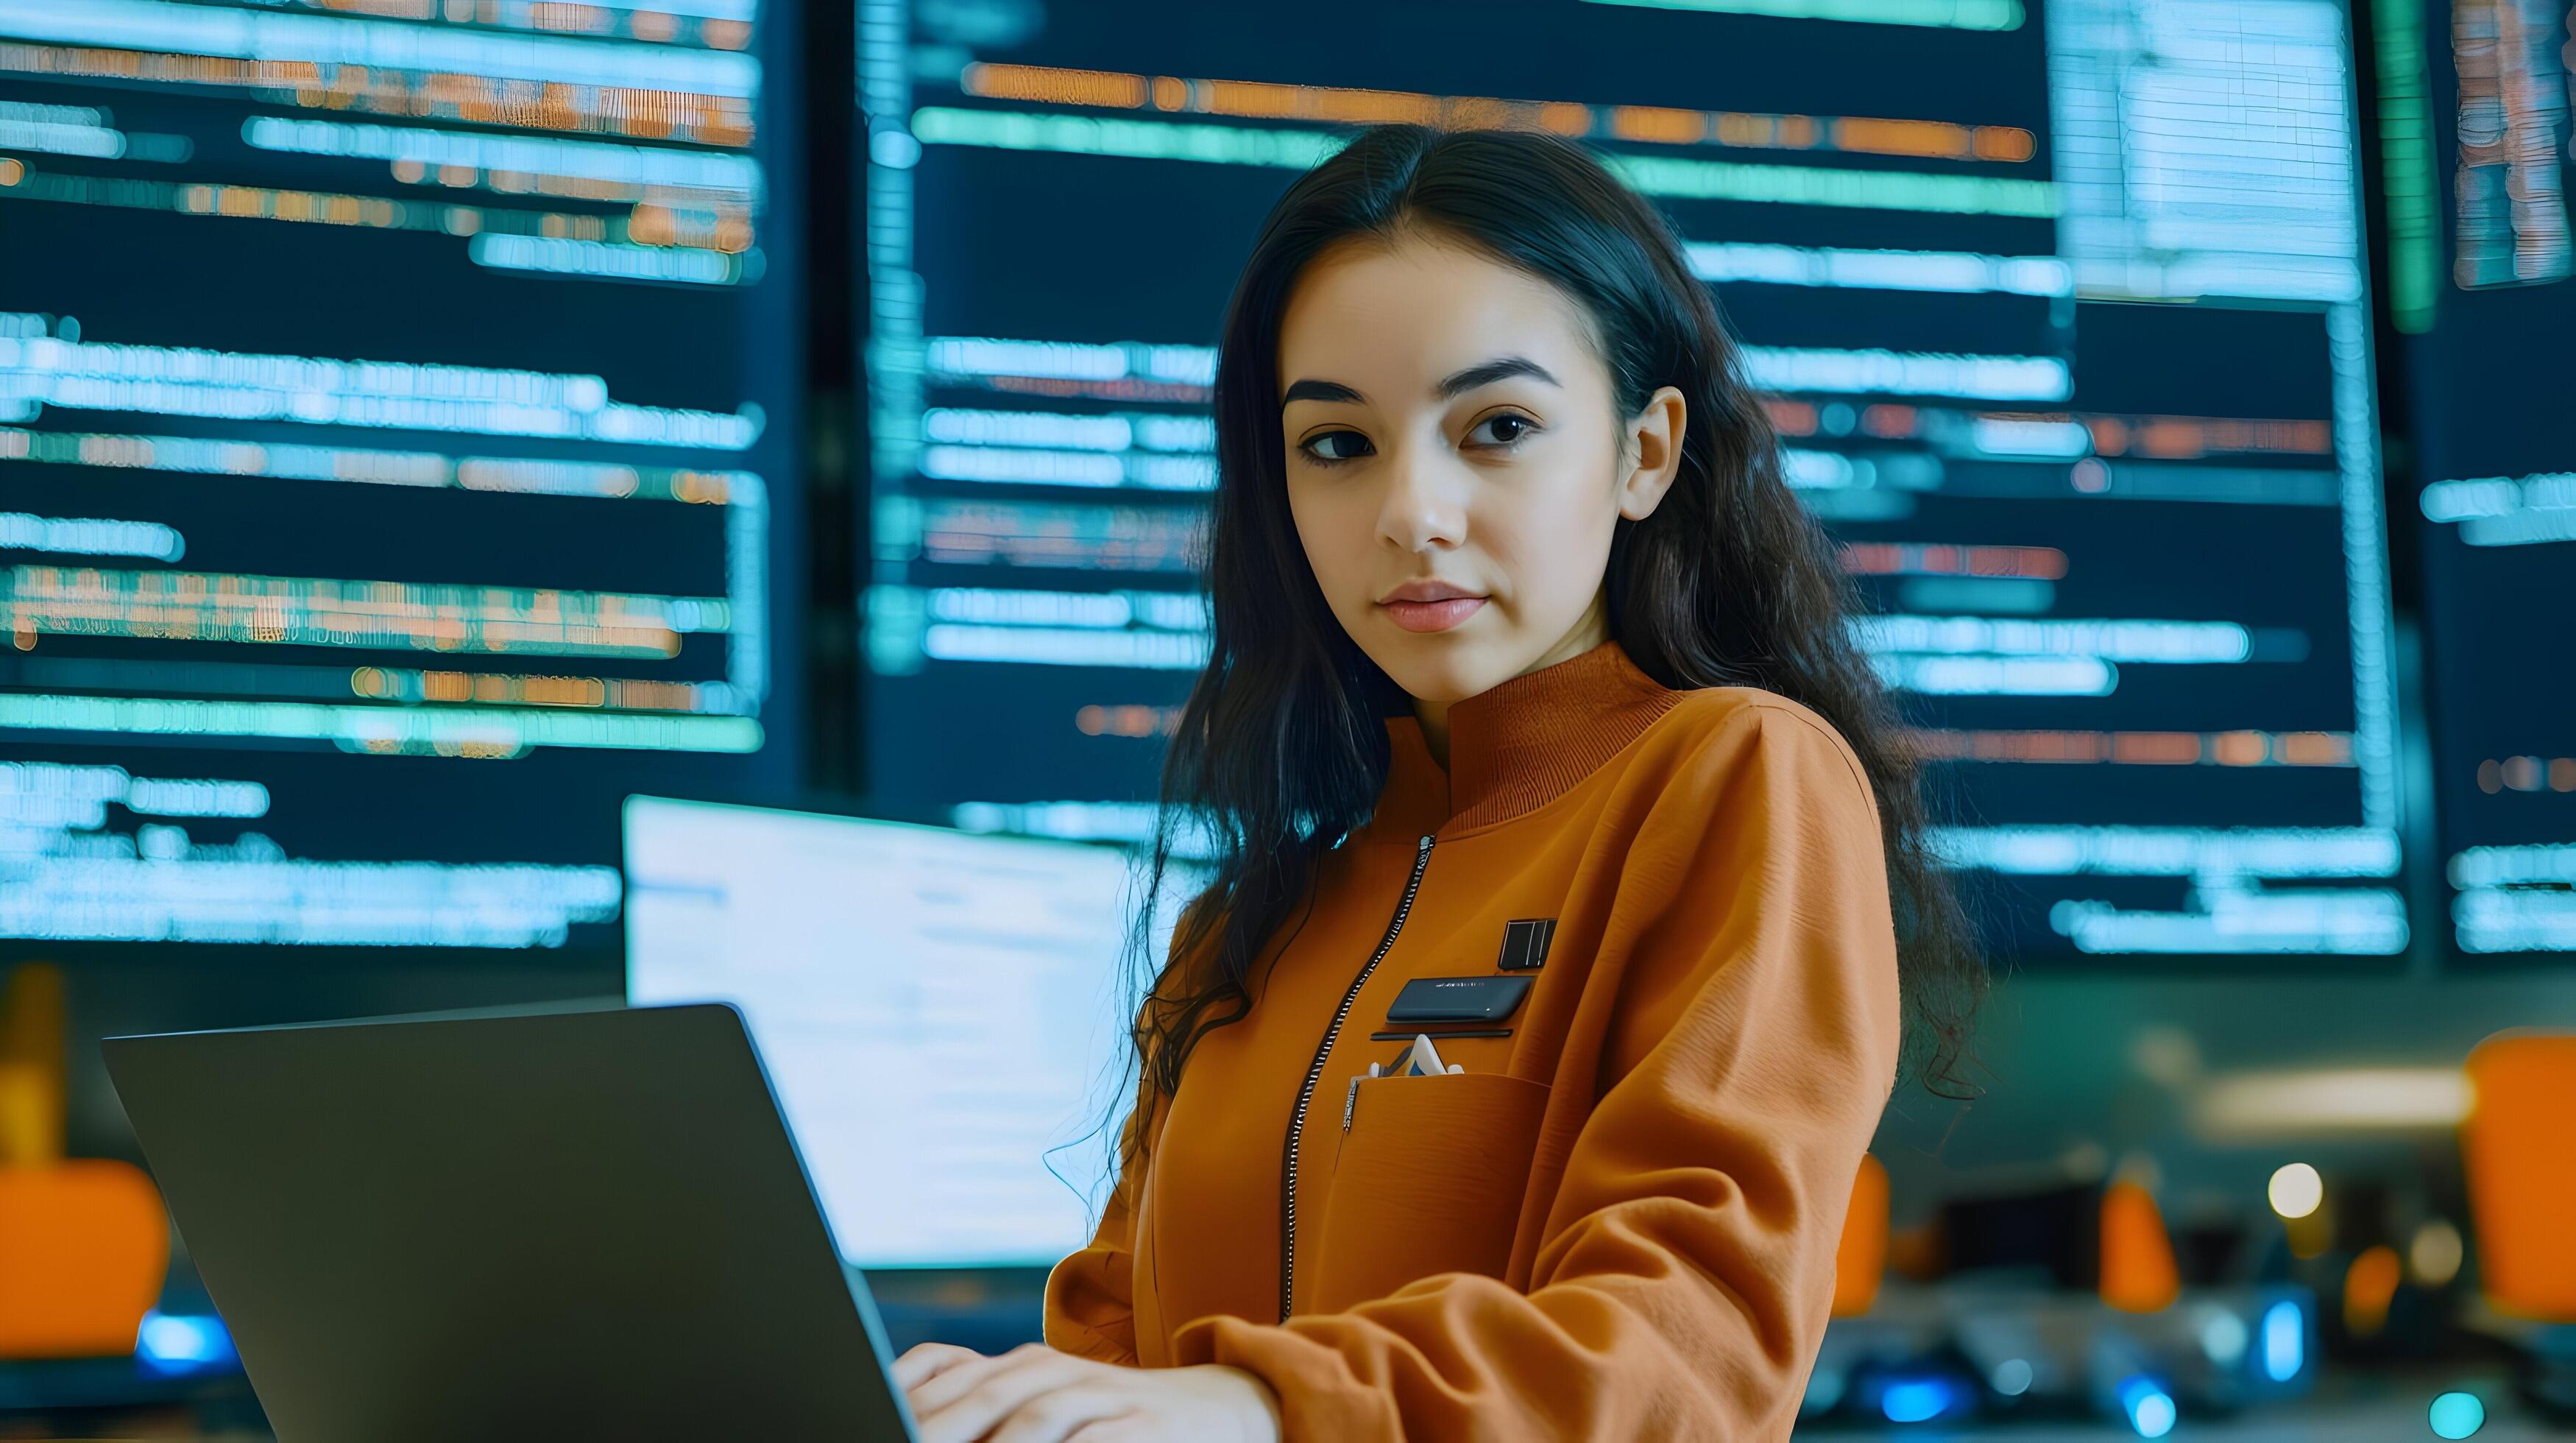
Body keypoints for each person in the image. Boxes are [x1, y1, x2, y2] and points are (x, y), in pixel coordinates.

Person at [894, 121, 1978, 1442]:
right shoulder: (1240, 931)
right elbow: (1114, 1353)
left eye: (1499, 426)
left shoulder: (1737, 776)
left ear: (1644, 454)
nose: (1412, 511)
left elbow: (1686, 1348)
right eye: (1337, 445)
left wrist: (1259, 1408)